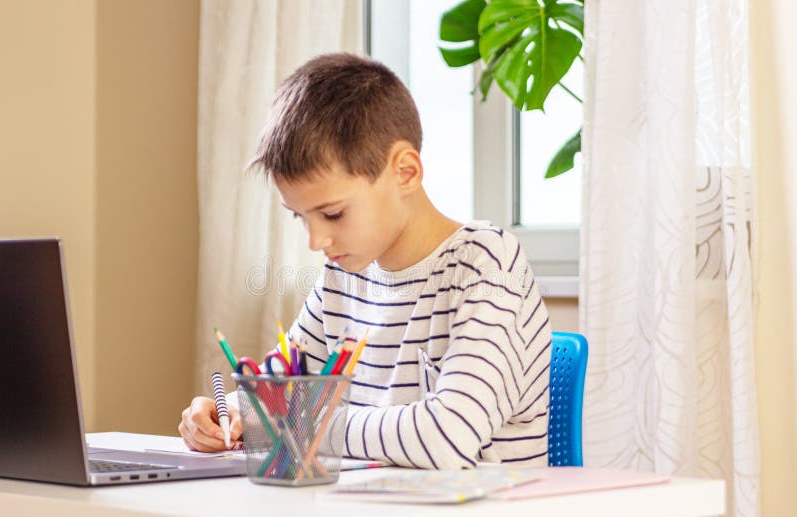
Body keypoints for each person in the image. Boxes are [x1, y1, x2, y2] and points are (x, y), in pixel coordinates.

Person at [179, 53, 552, 469]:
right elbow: (270, 399)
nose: (316, 239)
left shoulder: (488, 264)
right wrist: (227, 412)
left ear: (406, 172)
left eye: (333, 213)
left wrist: (297, 423)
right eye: (301, 217)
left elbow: (447, 438)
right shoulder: (343, 275)